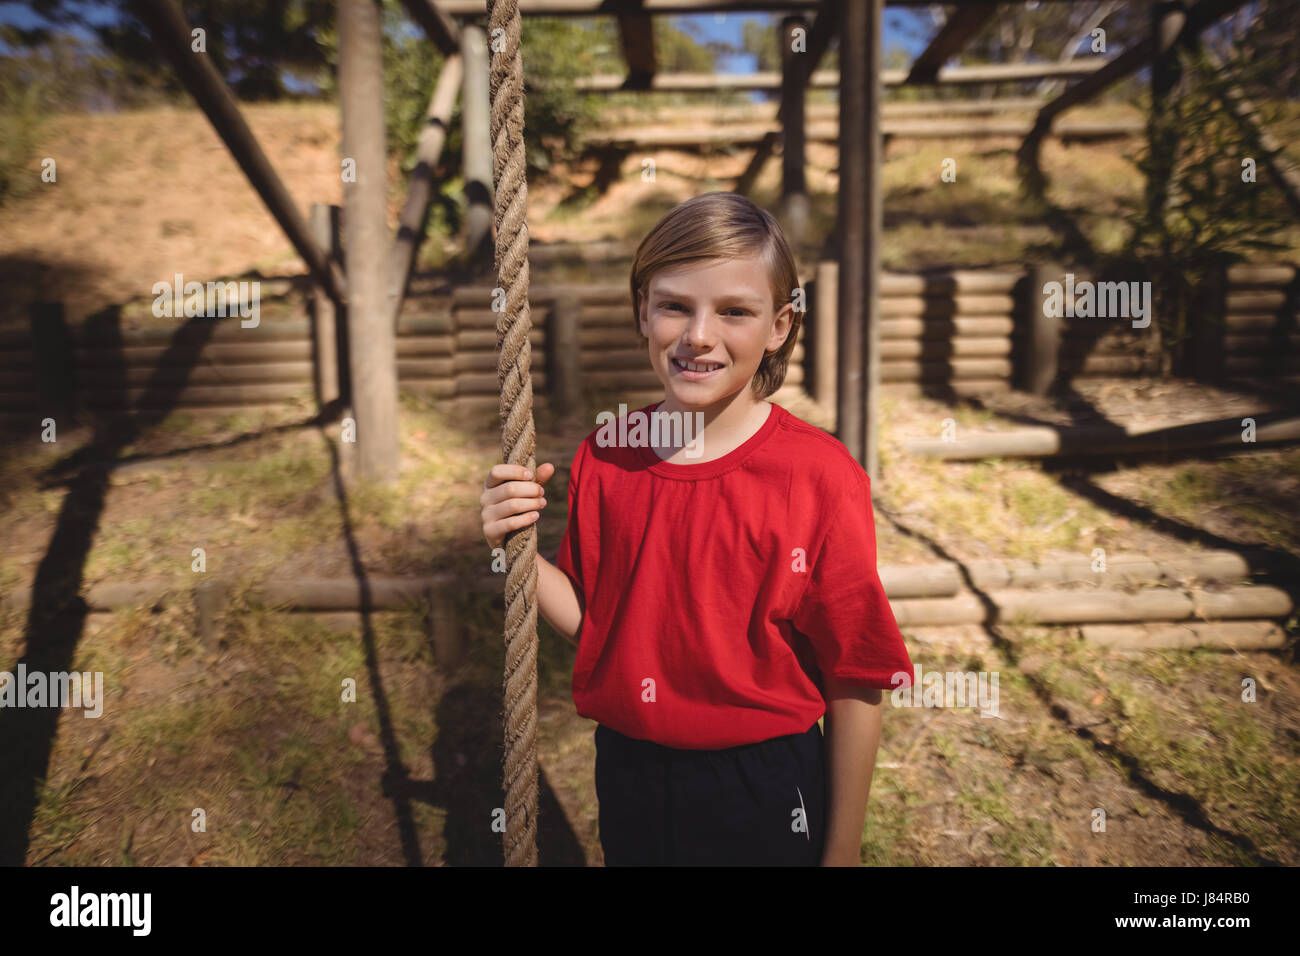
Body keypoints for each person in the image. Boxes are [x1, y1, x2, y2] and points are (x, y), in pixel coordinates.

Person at [480, 191, 913, 866]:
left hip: (765, 785)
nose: (699, 335)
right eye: (675, 305)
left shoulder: (819, 476)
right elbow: (600, 621)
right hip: (630, 771)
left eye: (734, 311)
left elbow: (856, 673)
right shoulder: (608, 454)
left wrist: (843, 851)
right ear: (642, 314)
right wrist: (516, 550)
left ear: (779, 325)